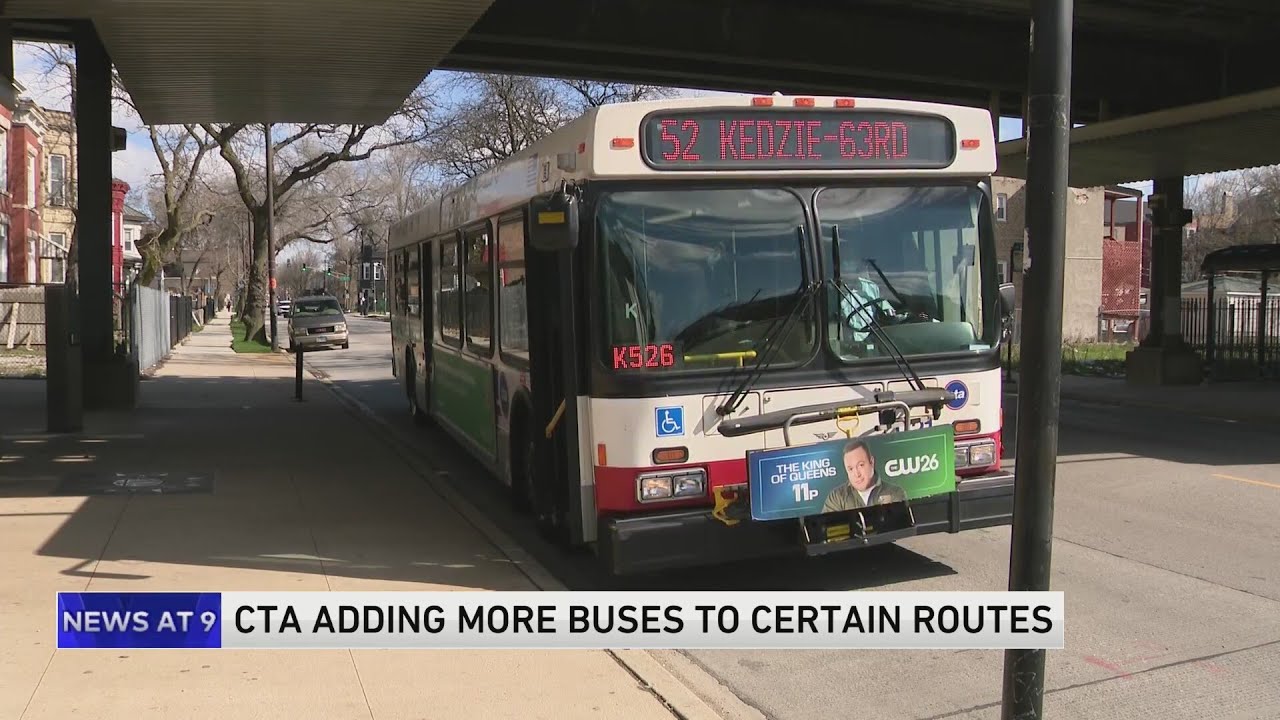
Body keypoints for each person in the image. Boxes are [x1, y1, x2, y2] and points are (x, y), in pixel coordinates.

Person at [821, 438, 907, 513]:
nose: (857, 474)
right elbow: (828, 528)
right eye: (850, 469)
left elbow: (900, 527)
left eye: (861, 465)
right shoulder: (836, 498)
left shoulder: (895, 493)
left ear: (871, 462)